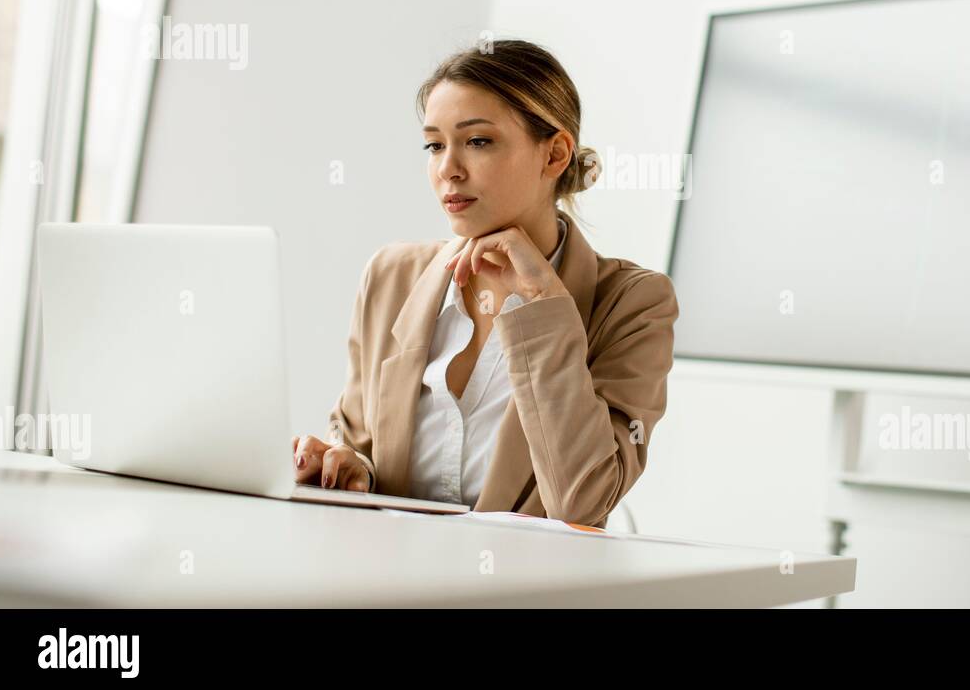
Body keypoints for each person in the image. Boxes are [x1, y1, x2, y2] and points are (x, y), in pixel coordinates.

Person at [291, 39, 679, 528]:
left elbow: (582, 501)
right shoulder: (391, 275)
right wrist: (352, 468)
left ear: (555, 154)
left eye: (477, 141)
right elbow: (359, 443)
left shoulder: (634, 303)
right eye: (434, 145)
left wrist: (542, 309)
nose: (448, 169)